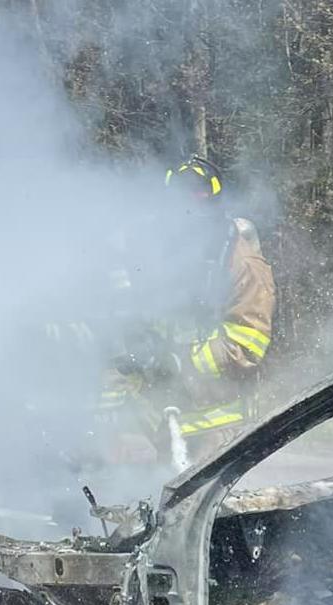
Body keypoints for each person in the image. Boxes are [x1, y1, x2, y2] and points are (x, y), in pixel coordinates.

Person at [98, 154, 276, 465]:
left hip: (220, 428)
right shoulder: (165, 257)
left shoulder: (241, 262)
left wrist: (176, 362)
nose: (187, 207)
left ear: (214, 198)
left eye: (197, 195)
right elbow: (146, 328)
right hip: (167, 420)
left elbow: (247, 344)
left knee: (212, 511)